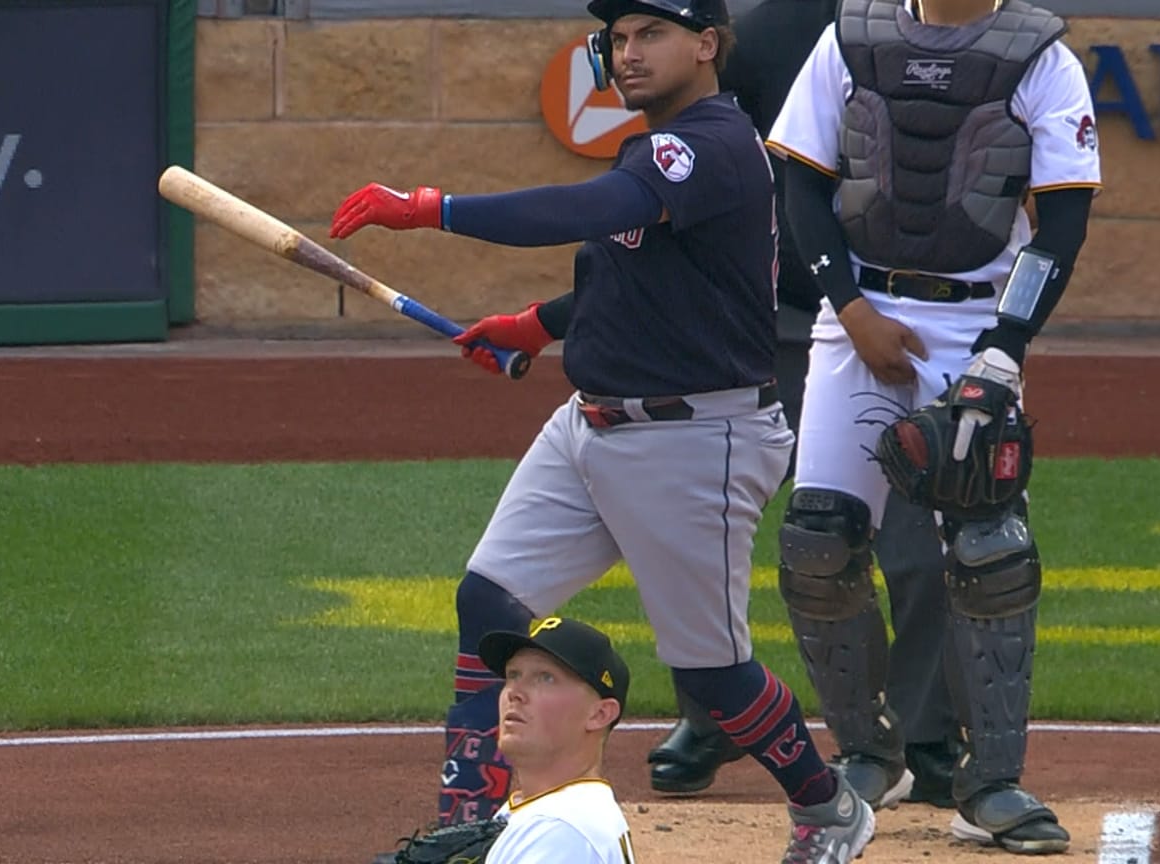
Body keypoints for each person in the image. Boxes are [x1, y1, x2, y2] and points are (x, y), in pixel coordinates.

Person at [328, 1, 875, 860]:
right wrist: (535, 325)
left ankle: (826, 805)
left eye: (650, 34)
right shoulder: (659, 149)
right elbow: (629, 276)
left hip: (694, 440)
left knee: (713, 676)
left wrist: (435, 207)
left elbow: (582, 210)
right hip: (589, 424)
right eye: (617, 39)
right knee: (490, 600)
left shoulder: (711, 144)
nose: (628, 53)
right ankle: (474, 827)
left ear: (707, 44)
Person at [765, 0, 1101, 854]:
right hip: (859, 315)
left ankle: (991, 782)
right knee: (817, 541)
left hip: (977, 320)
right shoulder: (850, 39)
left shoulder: (1041, 55)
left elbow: (1062, 220)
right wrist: (851, 310)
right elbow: (801, 184)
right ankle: (868, 755)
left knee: (989, 547)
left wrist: (1006, 348)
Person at [646, 0, 961, 812]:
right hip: (768, 321)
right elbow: (698, 169)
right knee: (702, 521)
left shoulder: (956, 29)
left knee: (920, 540)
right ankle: (714, 710)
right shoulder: (767, 36)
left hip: (912, 324)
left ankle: (926, 736)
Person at [476, 616, 636, 863]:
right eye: (513, 675)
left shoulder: (564, 832)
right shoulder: (552, 812)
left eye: (545, 677)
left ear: (600, 714)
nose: (515, 693)